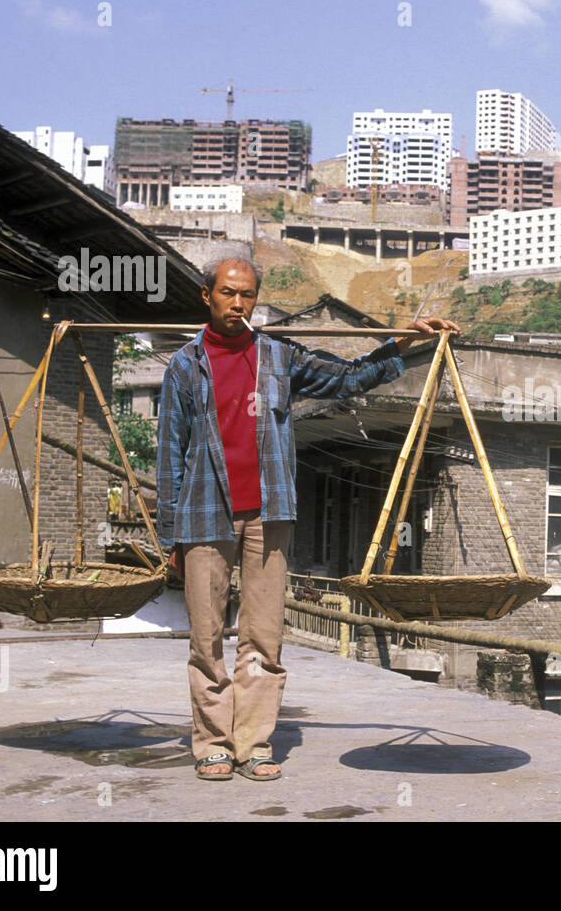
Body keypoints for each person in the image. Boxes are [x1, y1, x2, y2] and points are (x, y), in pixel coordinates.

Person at [156, 257, 459, 781]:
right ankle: (211, 742)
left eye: (247, 295)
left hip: (270, 514)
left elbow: (347, 378)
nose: (238, 304)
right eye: (227, 293)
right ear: (207, 297)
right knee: (206, 636)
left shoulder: (277, 357)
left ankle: (252, 743)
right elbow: (169, 454)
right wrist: (170, 536)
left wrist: (405, 344)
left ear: (256, 300)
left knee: (264, 634)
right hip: (204, 515)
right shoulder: (185, 366)